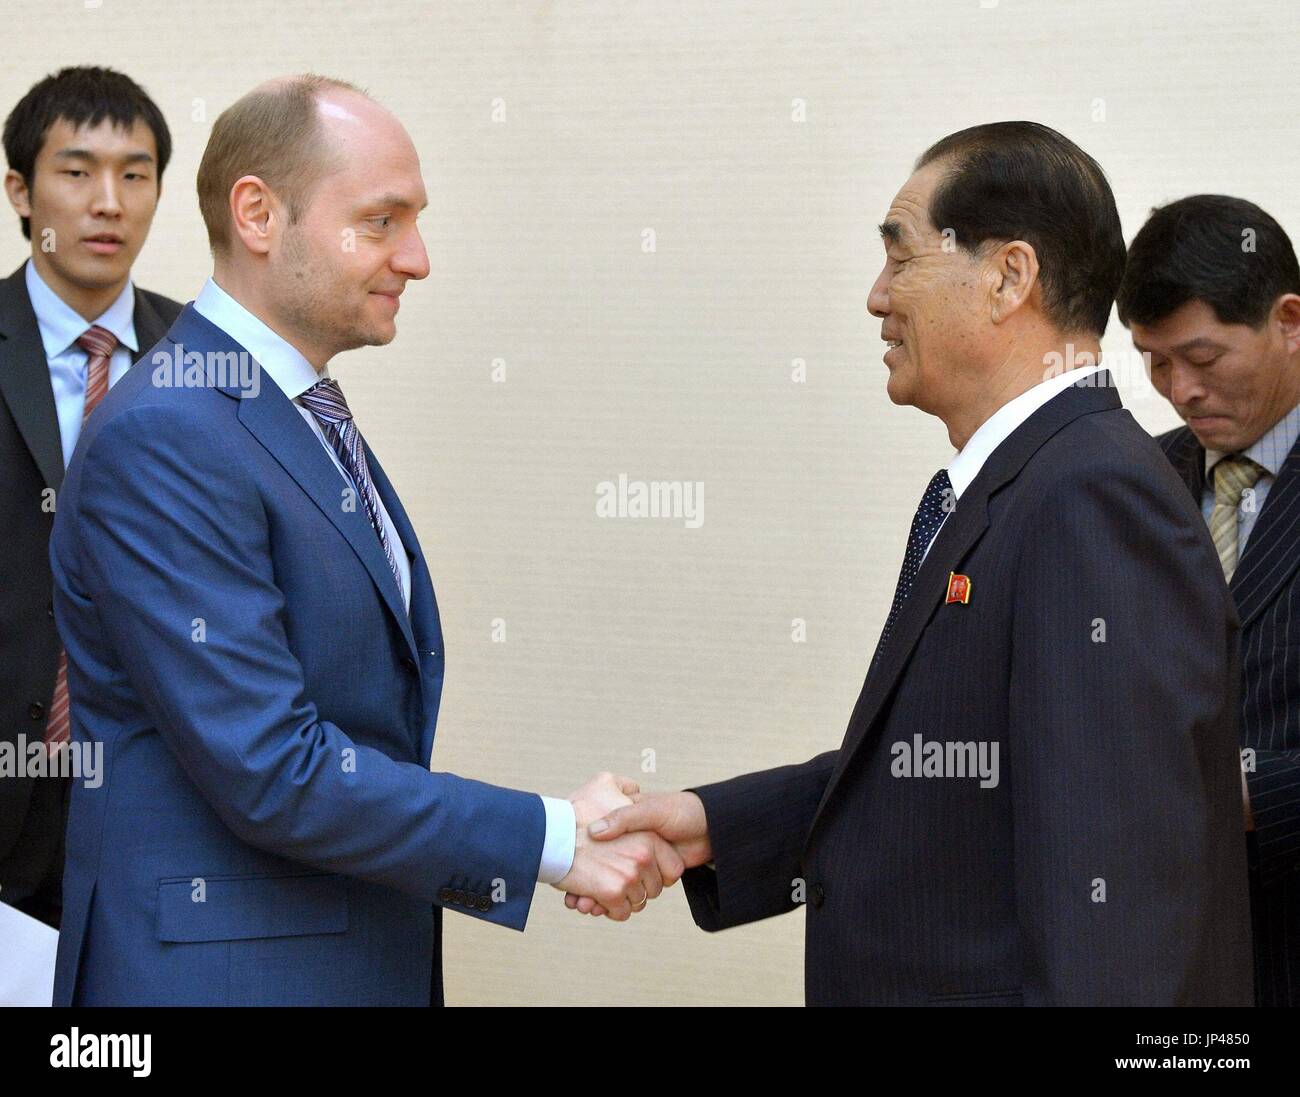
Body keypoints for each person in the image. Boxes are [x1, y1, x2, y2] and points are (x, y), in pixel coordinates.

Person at [579, 122, 1254, 1006]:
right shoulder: (1024, 482)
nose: (875, 296)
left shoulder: (1091, 499)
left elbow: (1119, 905)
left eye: (901, 258)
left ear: (1009, 277)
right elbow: (950, 762)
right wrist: (718, 824)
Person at [49, 74, 676, 1006]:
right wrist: (551, 837)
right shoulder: (170, 429)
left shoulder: (284, 405)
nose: (416, 258)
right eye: (381, 221)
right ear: (258, 215)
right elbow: (272, 766)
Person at [0, 66, 181, 930]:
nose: (108, 201)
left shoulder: (210, 362)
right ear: (19, 192)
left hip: (167, 795)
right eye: (76, 172)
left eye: (135, 174)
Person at [1118, 194, 1300, 1006]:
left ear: (1289, 320)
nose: (1178, 391)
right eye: (1154, 360)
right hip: (1159, 962)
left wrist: (1249, 794)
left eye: (1202, 356)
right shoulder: (1133, 480)